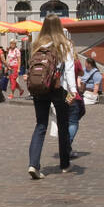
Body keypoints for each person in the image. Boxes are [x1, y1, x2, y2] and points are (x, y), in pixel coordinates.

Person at [27, 16, 77, 178]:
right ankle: (64, 164)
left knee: (40, 125)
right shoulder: (64, 44)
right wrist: (73, 91)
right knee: (63, 125)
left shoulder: (37, 44)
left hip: (39, 87)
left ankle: (34, 164)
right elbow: (69, 71)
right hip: (58, 88)